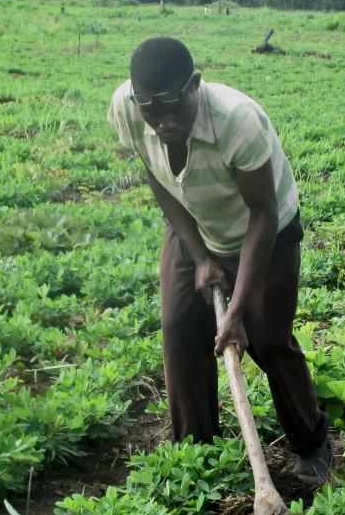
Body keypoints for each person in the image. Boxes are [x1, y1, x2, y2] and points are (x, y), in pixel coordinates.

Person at [107, 37, 333, 484]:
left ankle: (312, 442)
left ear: (196, 85)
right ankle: (196, 453)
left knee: (267, 336)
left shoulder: (236, 121)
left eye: (176, 108)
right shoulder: (128, 107)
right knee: (179, 325)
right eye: (153, 112)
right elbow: (156, 176)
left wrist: (237, 310)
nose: (165, 122)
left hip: (262, 227)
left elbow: (263, 214)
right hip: (192, 219)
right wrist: (199, 257)